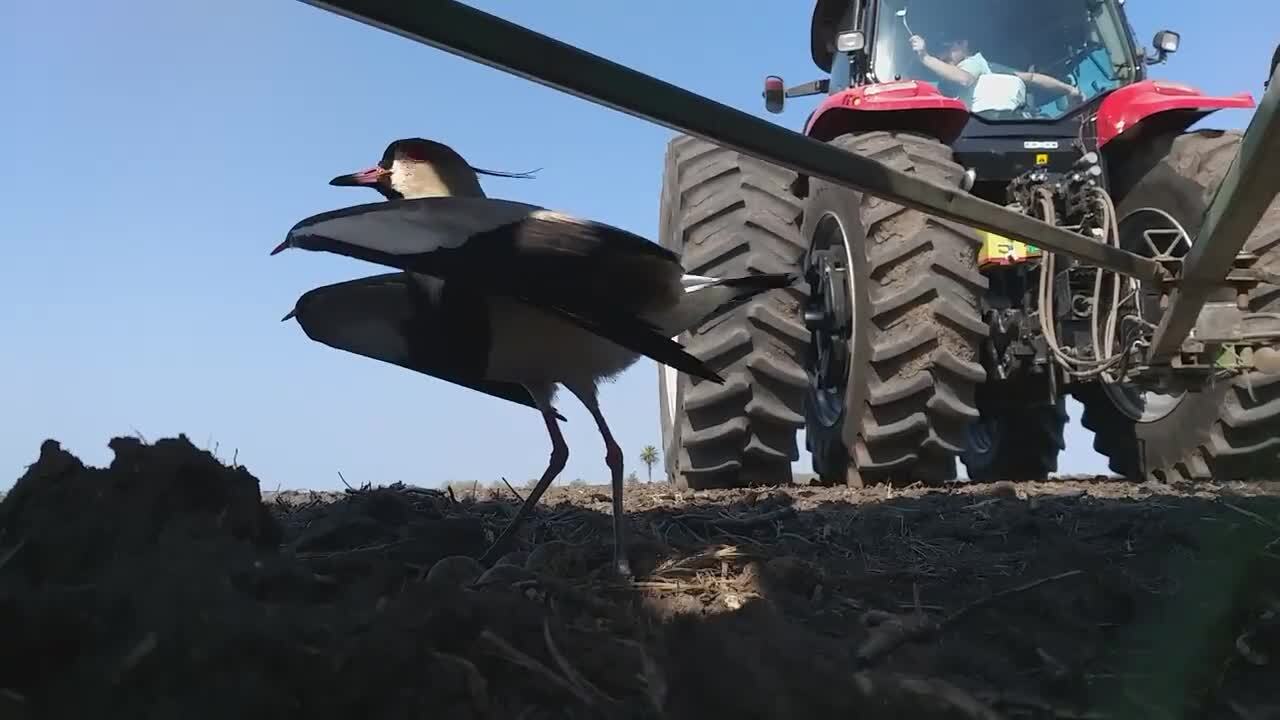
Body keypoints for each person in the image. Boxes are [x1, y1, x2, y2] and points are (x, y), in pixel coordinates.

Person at [910, 35, 1083, 112]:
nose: (942, 55)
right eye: (937, 52)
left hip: (985, 126)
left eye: (946, 48)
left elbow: (964, 79)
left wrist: (926, 57)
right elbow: (1031, 78)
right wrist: (1069, 89)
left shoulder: (972, 62)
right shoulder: (991, 70)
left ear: (963, 43)